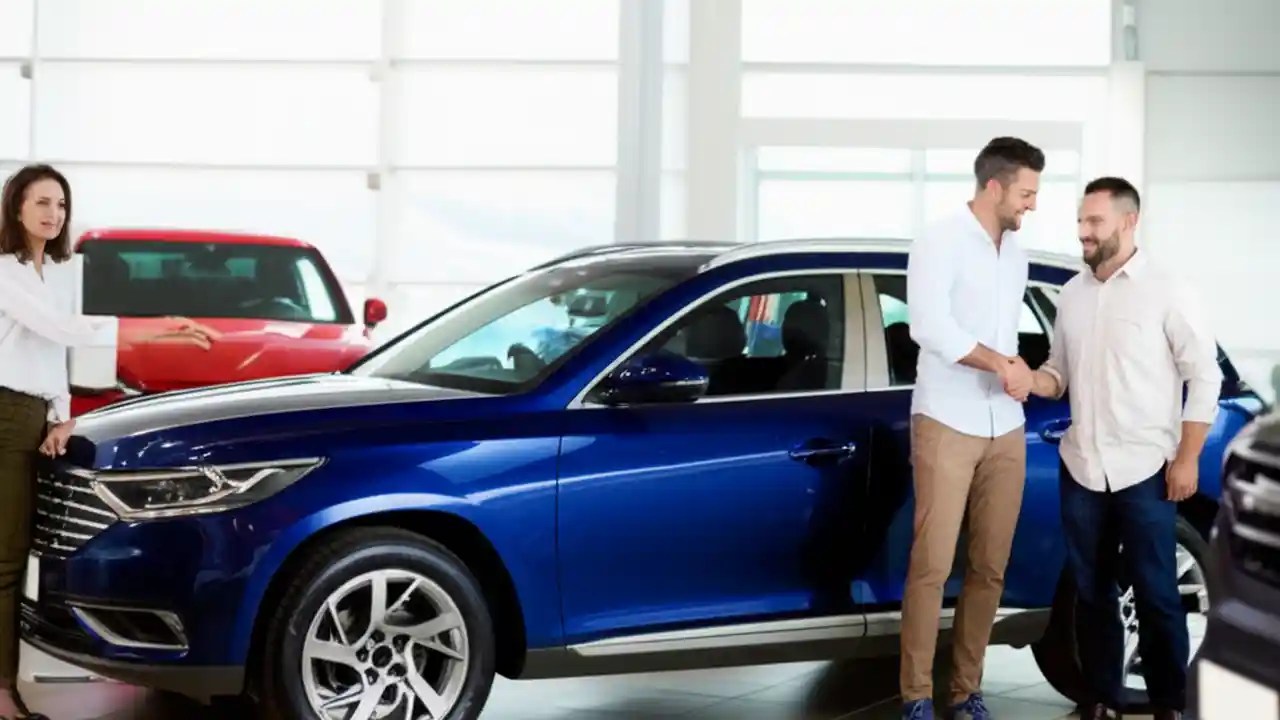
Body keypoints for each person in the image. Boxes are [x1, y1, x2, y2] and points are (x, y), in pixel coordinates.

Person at [0, 164, 219, 719]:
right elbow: (63, 331)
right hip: (3, 414)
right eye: (42, 202)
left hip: (28, 416)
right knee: (4, 562)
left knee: (24, 551)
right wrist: (159, 328)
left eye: (61, 204)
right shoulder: (4, 271)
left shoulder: (49, 270)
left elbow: (51, 356)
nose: (54, 214)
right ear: (16, 208)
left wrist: (59, 415)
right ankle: (2, 695)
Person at [1027, 177, 1221, 720]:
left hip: (1145, 469)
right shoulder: (1071, 294)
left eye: (1094, 222)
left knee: (1157, 593)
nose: (1083, 232)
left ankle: (1169, 704)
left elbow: (1204, 378)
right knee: (1091, 595)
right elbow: (1059, 372)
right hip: (1082, 465)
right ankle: (1102, 699)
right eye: (1081, 221)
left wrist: (1186, 459)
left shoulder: (1168, 289)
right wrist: (1029, 379)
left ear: (1129, 221)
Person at [899, 137, 1043, 720]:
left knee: (989, 566)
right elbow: (929, 326)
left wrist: (1018, 373)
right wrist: (1001, 364)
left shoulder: (1018, 253)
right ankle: (915, 697)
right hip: (947, 418)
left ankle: (965, 691)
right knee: (932, 565)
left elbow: (1011, 340)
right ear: (995, 185)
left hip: (1004, 423)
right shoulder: (938, 240)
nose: (1032, 204)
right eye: (1026, 192)